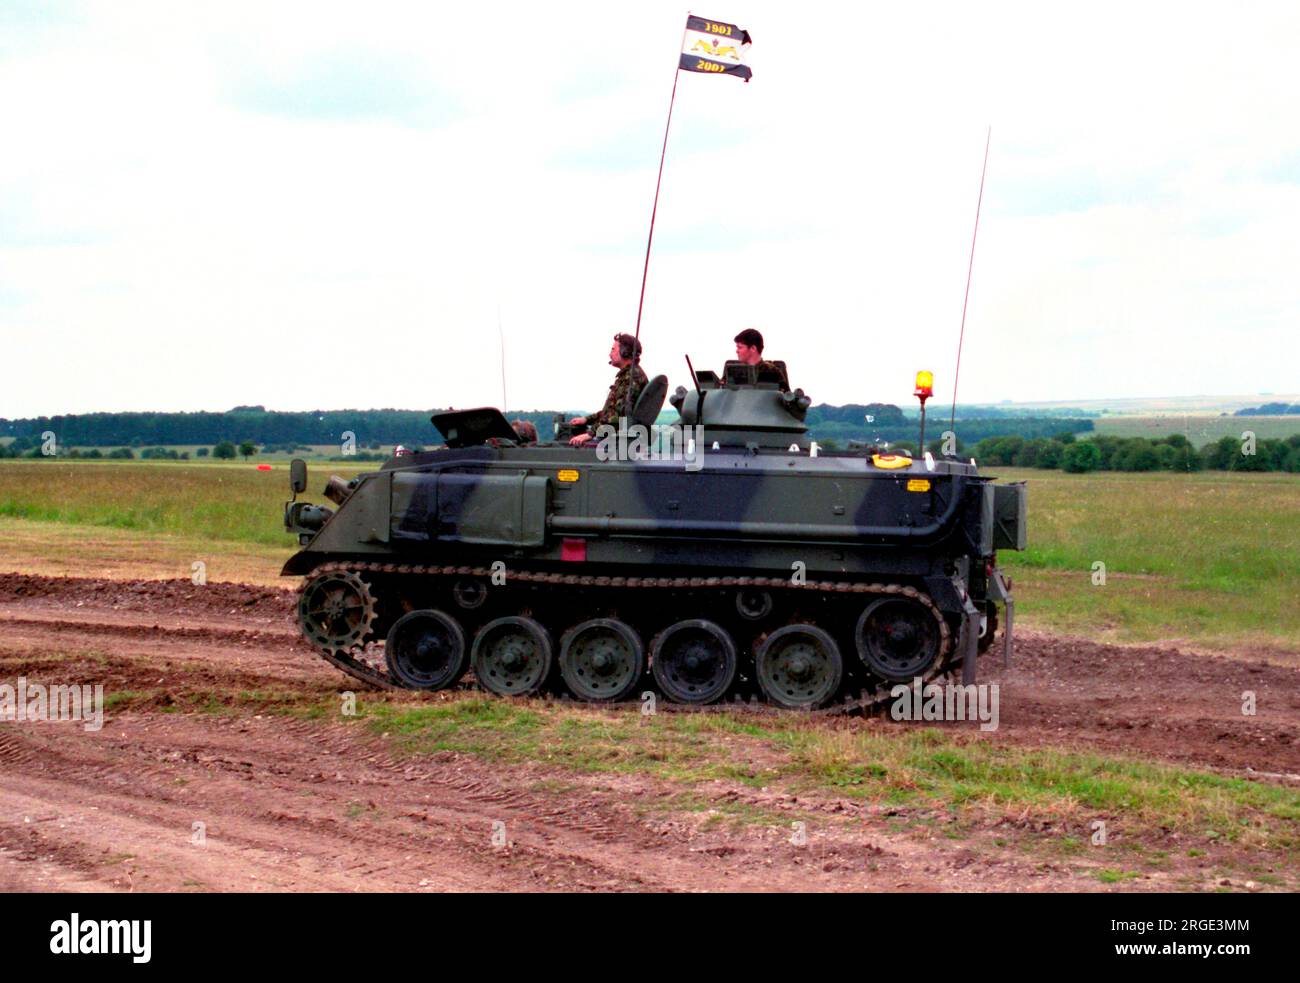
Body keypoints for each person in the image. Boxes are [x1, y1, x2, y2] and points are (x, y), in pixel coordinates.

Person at [569, 334, 649, 446]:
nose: (610, 354)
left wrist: (590, 434)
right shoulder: (627, 375)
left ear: (624, 352)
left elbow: (618, 416)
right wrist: (586, 420)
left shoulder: (632, 378)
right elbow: (611, 411)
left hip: (619, 441)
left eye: (613, 350)